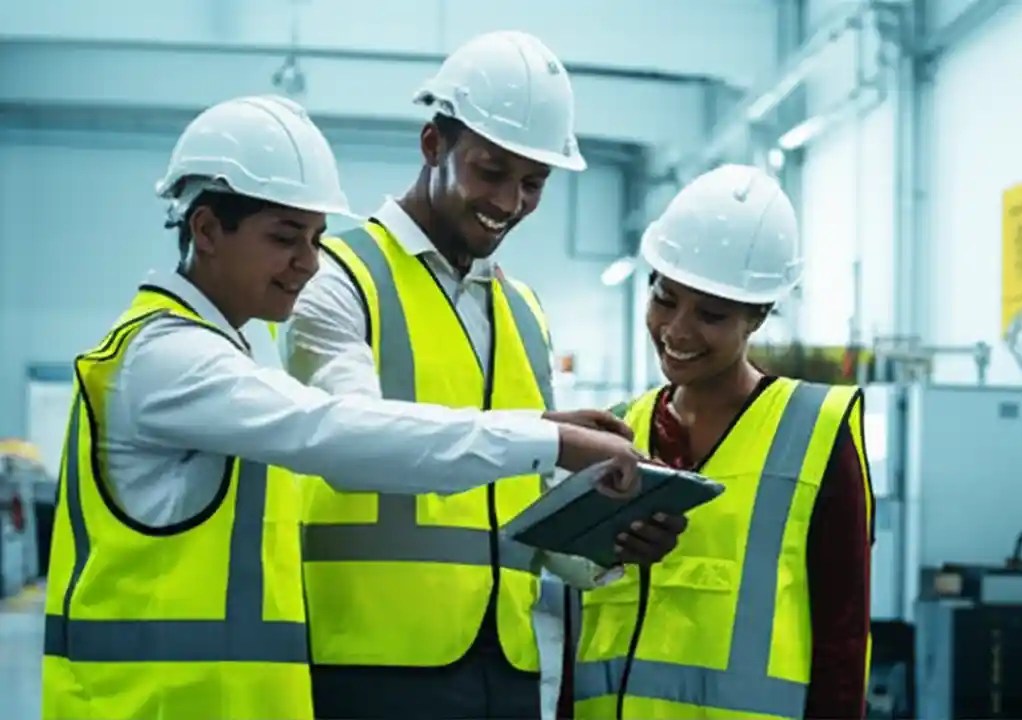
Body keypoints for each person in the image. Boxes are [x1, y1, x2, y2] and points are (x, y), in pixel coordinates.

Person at [40, 94, 645, 720]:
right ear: (207, 230)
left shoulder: (226, 353)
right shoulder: (167, 359)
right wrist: (547, 437)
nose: (308, 263)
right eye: (285, 238)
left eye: (316, 238)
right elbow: (335, 430)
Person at [283, 31, 687, 720]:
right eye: (491, 171)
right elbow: (352, 444)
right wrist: (546, 435)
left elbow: (526, 511)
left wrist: (609, 542)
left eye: (533, 183)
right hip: (369, 663)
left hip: (507, 667)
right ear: (432, 145)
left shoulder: (524, 311)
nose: (510, 200)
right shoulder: (336, 281)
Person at [569, 164, 875, 720]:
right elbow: (571, 618)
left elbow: (843, 635)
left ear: (757, 315)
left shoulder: (814, 435)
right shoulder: (617, 432)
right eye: (665, 299)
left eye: (711, 314)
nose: (677, 330)